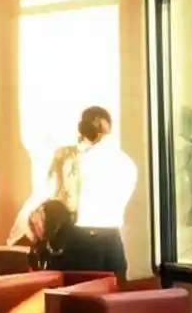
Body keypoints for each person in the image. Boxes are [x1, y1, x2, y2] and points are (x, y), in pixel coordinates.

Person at [9, 106, 135, 278]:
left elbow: (59, 195)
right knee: (113, 294)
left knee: (78, 294)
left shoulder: (71, 157)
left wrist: (19, 231)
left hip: (81, 239)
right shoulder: (125, 162)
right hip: (112, 240)